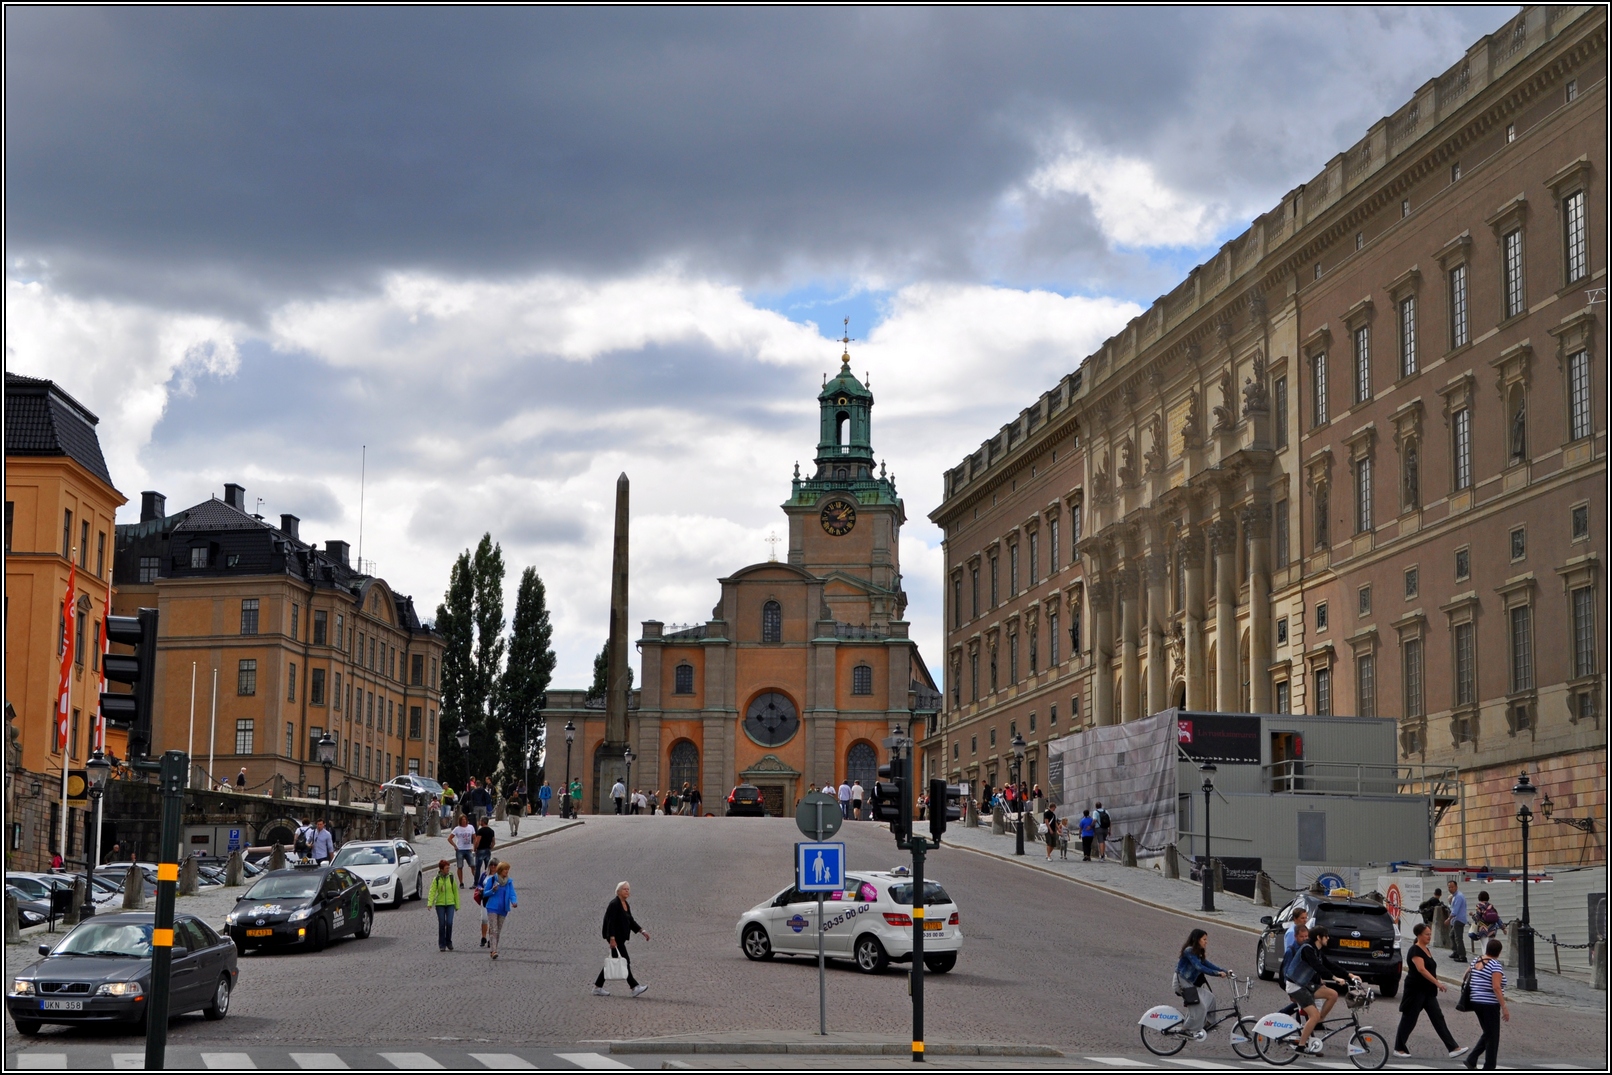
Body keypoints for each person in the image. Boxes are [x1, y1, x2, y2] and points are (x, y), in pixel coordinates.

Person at [1393, 922, 1468, 1059]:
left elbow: (1431, 968)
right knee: (1409, 1019)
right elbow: (1421, 969)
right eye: (1427, 934)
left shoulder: (1426, 949)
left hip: (1427, 991)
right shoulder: (1415, 950)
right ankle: (1398, 1048)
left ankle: (1453, 1048)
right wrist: (1437, 983)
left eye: (1430, 934)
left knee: (1438, 1018)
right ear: (1419, 935)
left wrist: (1435, 982)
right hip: (1415, 990)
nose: (1429, 936)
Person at [1285, 925, 1349, 1055]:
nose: (1328, 938)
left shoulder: (1316, 950)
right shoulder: (1307, 950)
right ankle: (1301, 1046)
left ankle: (1319, 1021)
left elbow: (1329, 964)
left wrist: (1349, 975)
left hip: (1305, 985)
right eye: (1326, 936)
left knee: (1333, 994)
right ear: (1319, 938)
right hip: (1296, 986)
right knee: (1313, 1015)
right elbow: (1317, 966)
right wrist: (1334, 978)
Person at [593, 880, 650, 997]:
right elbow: (610, 922)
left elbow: (630, 921)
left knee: (614, 962)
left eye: (628, 889)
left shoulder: (625, 904)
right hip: (615, 938)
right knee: (624, 961)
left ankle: (597, 987)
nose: (627, 891)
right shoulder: (614, 904)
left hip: (620, 938)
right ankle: (634, 987)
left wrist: (642, 931)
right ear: (618, 891)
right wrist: (612, 939)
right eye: (625, 889)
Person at [1175, 928, 1232, 1040]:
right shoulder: (1189, 951)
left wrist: (1225, 971)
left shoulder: (1198, 953)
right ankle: (1185, 1030)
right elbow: (1199, 967)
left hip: (1190, 984)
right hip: (1181, 982)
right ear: (1197, 940)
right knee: (1199, 1007)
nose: (1206, 942)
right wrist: (1217, 974)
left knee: (1210, 998)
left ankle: (1208, 1023)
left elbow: (1208, 964)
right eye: (1204, 939)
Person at [1463, 937, 1508, 1070]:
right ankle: (1487, 1065)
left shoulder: (1476, 960)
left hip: (1475, 1001)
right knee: (1492, 1035)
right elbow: (1496, 987)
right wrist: (1504, 1007)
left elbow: (1465, 976)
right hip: (1489, 1003)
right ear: (1499, 952)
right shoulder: (1495, 965)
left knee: (1488, 1033)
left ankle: (1474, 1060)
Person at [481, 861, 518, 959]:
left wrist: (514, 902)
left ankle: (494, 949)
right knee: (494, 929)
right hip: (492, 907)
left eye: (508, 869)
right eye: (505, 869)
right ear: (500, 870)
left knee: (498, 931)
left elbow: (512, 894)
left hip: (503, 909)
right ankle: (494, 951)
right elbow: (485, 893)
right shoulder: (492, 879)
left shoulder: (508, 882)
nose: (507, 871)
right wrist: (492, 890)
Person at [427, 859, 459, 951]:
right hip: (440, 904)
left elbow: (455, 891)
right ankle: (442, 944)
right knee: (442, 924)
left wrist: (457, 904)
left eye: (449, 868)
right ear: (441, 869)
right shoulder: (436, 879)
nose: (448, 870)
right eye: (446, 868)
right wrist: (430, 903)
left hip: (450, 903)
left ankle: (449, 941)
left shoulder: (451, 877)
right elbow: (432, 891)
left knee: (449, 923)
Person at [450, 813, 476, 887]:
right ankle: (461, 882)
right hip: (460, 849)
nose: (464, 821)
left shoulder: (471, 827)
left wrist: (474, 846)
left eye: (465, 819)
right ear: (460, 821)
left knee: (473, 865)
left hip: (468, 849)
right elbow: (449, 838)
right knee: (460, 866)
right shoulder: (457, 829)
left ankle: (476, 880)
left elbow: (474, 837)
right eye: (462, 820)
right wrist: (455, 845)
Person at [1447, 879, 1469, 963]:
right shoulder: (1454, 896)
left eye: (1452, 887)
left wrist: (1448, 919)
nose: (1450, 889)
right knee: (1452, 935)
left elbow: (1455, 911)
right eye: (1449, 887)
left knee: (1458, 938)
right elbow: (1452, 907)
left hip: (1459, 920)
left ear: (1456, 887)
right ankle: (1455, 952)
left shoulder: (1459, 896)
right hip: (1456, 920)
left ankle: (1462, 956)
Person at [474, 815, 497, 884]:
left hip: (480, 850)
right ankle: (490, 881)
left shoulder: (480, 831)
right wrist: (490, 848)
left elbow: (477, 841)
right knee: (489, 867)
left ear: (483, 822)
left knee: (478, 868)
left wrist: (475, 848)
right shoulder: (491, 831)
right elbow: (493, 842)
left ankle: (476, 883)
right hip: (487, 850)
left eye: (481, 821)